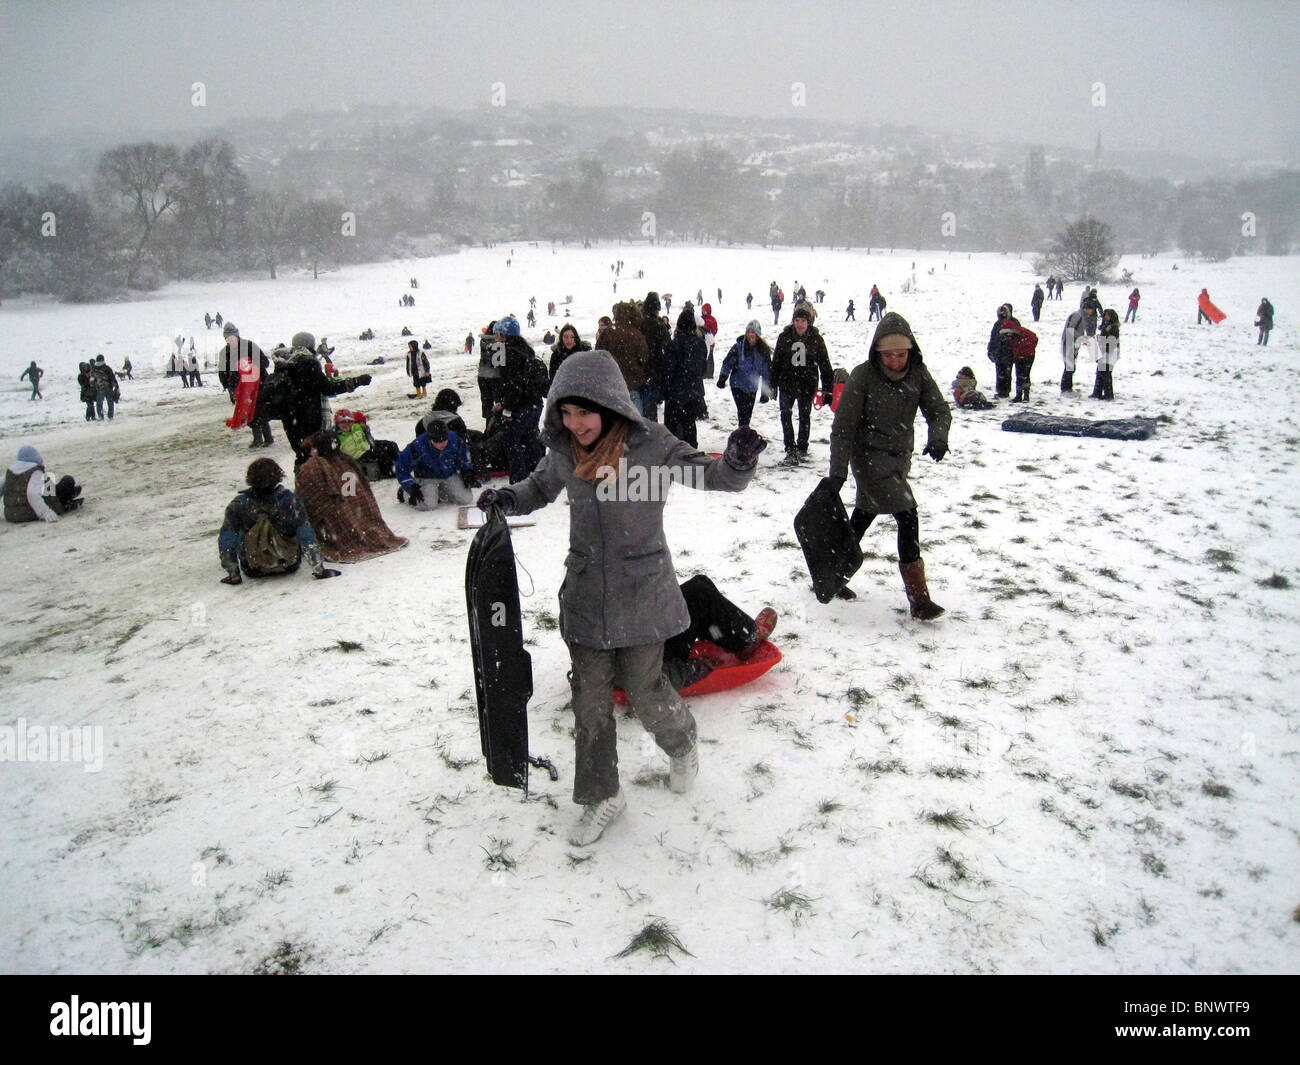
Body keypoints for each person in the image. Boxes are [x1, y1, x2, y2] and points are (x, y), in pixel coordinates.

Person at [475, 350, 767, 846]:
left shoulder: (652, 445)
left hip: (643, 594)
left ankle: (682, 741)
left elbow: (712, 476)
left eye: (583, 413)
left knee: (644, 688)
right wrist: (508, 497)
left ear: (609, 404)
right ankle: (601, 794)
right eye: (565, 414)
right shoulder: (567, 451)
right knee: (589, 702)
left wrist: (737, 462)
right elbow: (540, 487)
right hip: (586, 593)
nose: (575, 423)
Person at [827, 312, 950, 617]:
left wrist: (939, 437)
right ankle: (919, 600)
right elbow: (843, 427)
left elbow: (938, 409)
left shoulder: (918, 374)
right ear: (877, 353)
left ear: (911, 351)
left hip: (898, 458)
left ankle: (832, 574)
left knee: (864, 516)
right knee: (907, 514)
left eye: (901, 354)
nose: (896, 361)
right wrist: (838, 472)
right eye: (889, 355)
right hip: (868, 457)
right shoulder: (863, 376)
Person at [218, 457, 340, 583]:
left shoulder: (240, 504)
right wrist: (319, 568)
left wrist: (233, 573)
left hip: (252, 568)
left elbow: (227, 540)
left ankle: (250, 563)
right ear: (278, 476)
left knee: (234, 531)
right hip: (288, 564)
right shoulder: (290, 501)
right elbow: (306, 535)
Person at [295, 431, 408, 562]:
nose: (311, 452)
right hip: (359, 518)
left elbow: (306, 498)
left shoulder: (314, 467)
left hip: (334, 525)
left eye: (313, 448)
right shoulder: (346, 462)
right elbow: (356, 496)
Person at [661, 576, 778, 691]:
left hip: (652, 643)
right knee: (697, 594)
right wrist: (693, 668)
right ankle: (746, 640)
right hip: (657, 659)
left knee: (700, 582)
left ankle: (715, 634)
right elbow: (649, 679)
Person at [279, 332, 371, 464]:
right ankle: (317, 481)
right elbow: (328, 388)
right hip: (309, 419)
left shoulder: (285, 364)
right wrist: (356, 381)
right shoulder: (307, 363)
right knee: (318, 457)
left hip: (291, 421)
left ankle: (303, 480)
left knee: (302, 455)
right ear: (310, 345)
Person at [771, 304, 834, 463]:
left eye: (803, 321)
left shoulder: (816, 339)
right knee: (785, 415)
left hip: (807, 384)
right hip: (786, 383)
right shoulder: (784, 337)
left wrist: (828, 390)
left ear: (809, 322)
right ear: (793, 321)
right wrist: (773, 384)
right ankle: (790, 448)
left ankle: (802, 447)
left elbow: (825, 365)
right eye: (797, 320)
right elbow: (776, 362)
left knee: (804, 416)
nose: (800, 324)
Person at [490, 315, 548, 482]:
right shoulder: (526, 350)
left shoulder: (506, 352)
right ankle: (537, 476)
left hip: (520, 406)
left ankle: (519, 482)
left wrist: (504, 404)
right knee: (530, 438)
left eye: (497, 335)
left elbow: (513, 384)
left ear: (503, 335)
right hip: (535, 404)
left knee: (511, 441)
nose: (496, 339)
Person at [220, 322, 276, 448]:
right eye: (227, 338)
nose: (229, 340)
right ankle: (260, 438)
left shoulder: (249, 346)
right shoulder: (225, 353)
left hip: (258, 385)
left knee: (259, 411)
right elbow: (223, 372)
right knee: (248, 412)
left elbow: (265, 362)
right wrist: (228, 386)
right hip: (240, 388)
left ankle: (265, 438)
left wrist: (250, 368)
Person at [396, 419, 475, 509]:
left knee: (466, 499)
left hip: (449, 474)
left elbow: (464, 454)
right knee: (428, 505)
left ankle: (438, 491)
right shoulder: (417, 447)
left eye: (445, 440)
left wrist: (467, 471)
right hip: (426, 478)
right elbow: (401, 468)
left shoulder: (454, 439)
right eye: (438, 441)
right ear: (430, 439)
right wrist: (409, 487)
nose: (443, 444)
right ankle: (404, 493)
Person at [661, 306, 709, 447]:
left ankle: (673, 455)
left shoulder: (675, 344)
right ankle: (691, 452)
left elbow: (668, 370)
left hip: (676, 392)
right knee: (689, 424)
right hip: (694, 392)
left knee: (672, 428)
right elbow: (703, 368)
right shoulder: (700, 344)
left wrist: (664, 390)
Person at [4, 445, 82, 523]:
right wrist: (46, 512)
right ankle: (68, 497)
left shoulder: (10, 471)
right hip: (30, 513)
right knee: (67, 480)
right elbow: (32, 494)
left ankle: (70, 493)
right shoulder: (35, 472)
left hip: (11, 514)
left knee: (49, 482)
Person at [717, 321, 772, 429]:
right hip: (737, 385)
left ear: (758, 334)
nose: (751, 334)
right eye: (749, 332)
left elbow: (766, 372)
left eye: (753, 332)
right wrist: (723, 378)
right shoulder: (738, 347)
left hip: (752, 387)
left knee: (748, 414)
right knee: (742, 412)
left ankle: (743, 434)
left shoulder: (763, 351)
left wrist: (765, 392)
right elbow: (727, 363)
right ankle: (742, 435)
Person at [600, 302, 650, 412]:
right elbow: (644, 358)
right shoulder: (637, 335)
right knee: (635, 422)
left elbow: (599, 356)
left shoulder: (608, 333)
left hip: (612, 384)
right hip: (633, 384)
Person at [639, 292, 670, 422]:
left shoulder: (639, 323)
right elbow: (667, 347)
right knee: (651, 410)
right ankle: (651, 435)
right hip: (655, 369)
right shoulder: (659, 325)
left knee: (640, 407)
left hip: (640, 369)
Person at [1060, 304, 1097, 392]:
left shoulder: (1081, 316)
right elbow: (1070, 329)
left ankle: (1067, 387)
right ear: (1086, 309)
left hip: (1072, 344)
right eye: (1091, 310)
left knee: (1070, 367)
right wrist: (1082, 338)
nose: (1092, 312)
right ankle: (1066, 387)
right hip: (1069, 344)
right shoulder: (1078, 315)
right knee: (1070, 367)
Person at [1091, 309, 1120, 400]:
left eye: (1107, 315)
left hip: (1109, 352)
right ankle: (1097, 393)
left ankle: (1108, 394)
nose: (1106, 317)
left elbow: (1112, 341)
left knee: (1105, 373)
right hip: (1104, 351)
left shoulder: (1113, 327)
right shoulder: (1106, 325)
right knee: (1100, 372)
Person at [90, 355, 119, 420]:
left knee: (99, 403)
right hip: (108, 387)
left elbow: (91, 380)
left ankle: (100, 416)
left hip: (100, 388)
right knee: (110, 402)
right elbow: (112, 378)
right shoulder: (107, 368)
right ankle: (110, 416)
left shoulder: (94, 369)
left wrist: (93, 386)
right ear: (103, 360)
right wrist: (116, 386)